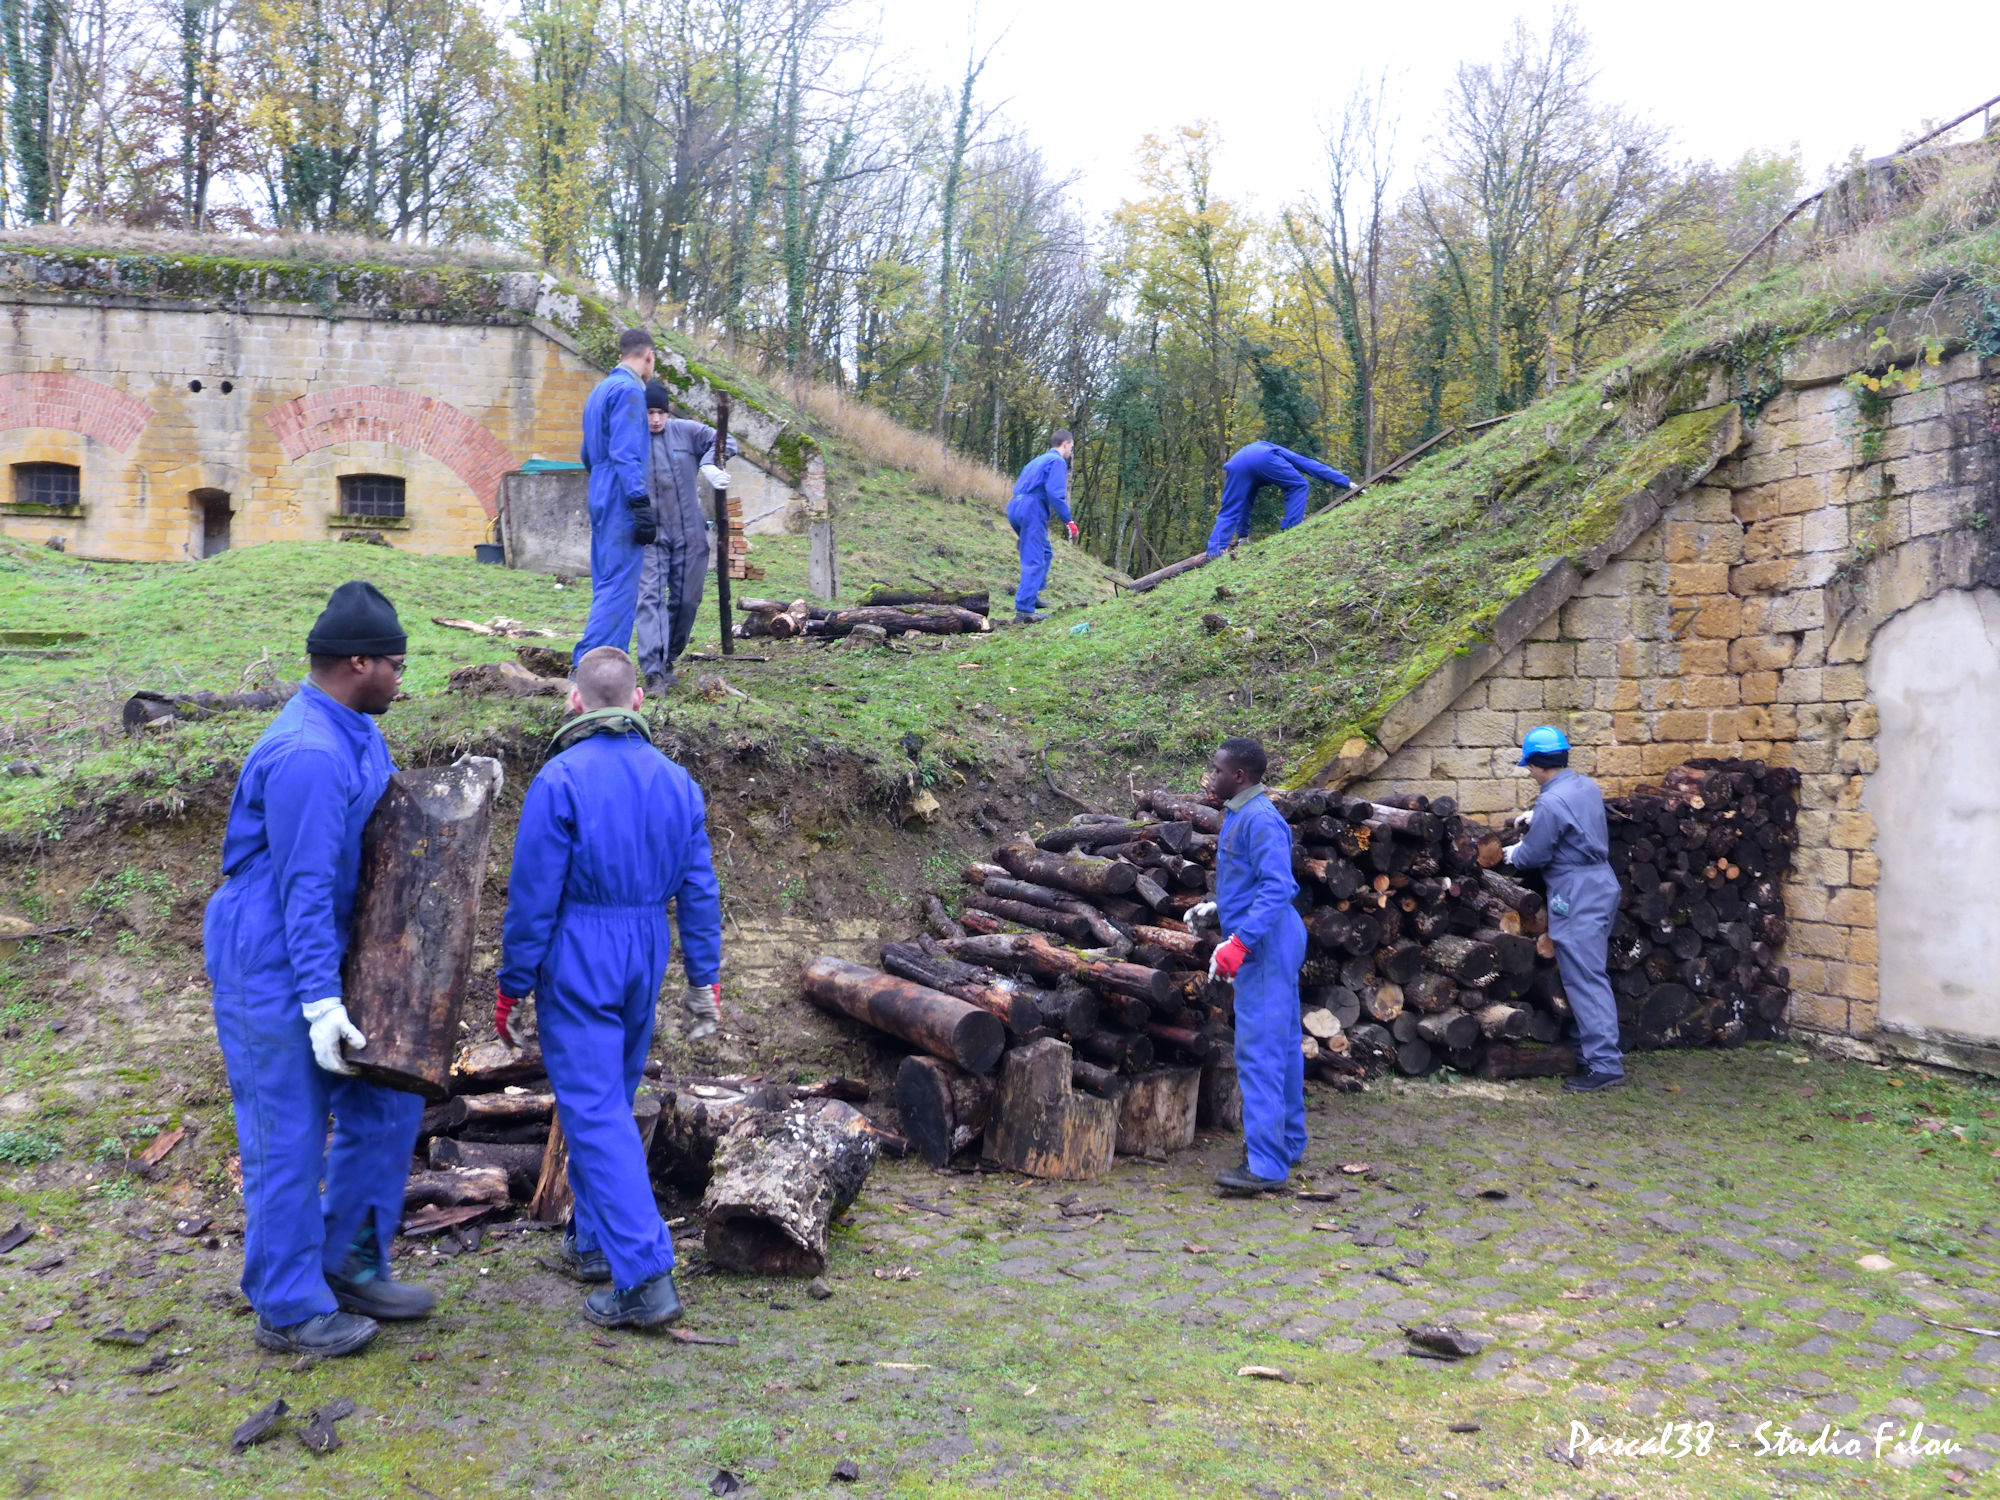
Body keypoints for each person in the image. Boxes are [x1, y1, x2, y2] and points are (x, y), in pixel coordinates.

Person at [203, 581, 434, 1358]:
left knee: (387, 1106)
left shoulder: (359, 728)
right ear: (357, 663)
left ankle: (349, 1264)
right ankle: (288, 1306)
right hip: (272, 948)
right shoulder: (307, 753)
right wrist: (317, 1004)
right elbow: (302, 886)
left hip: (334, 938)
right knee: (287, 1130)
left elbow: (388, 816)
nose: (403, 678)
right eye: (395, 666)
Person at [495, 646, 723, 1329]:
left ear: (574, 702)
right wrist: (702, 978)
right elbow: (700, 890)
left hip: (581, 948)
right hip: (643, 947)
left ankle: (645, 1275)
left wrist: (511, 987)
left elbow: (532, 899)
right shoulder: (678, 782)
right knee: (611, 1101)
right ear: (637, 702)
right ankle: (596, 1240)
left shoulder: (559, 781)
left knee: (593, 1110)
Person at [1189, 737, 1308, 1194]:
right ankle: (1288, 1143)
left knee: (1258, 1051)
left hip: (1268, 942)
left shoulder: (1259, 819)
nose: (1210, 774)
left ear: (1238, 776)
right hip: (1270, 936)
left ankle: (1266, 1166)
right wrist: (1219, 909)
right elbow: (1253, 882)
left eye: (1216, 768)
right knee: (1283, 1044)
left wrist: (1239, 940)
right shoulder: (1243, 812)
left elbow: (1279, 887)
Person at [1504, 725, 1626, 1092]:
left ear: (1538, 765)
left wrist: (1515, 853)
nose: (1529, 771)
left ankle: (1604, 1064)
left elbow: (1535, 854)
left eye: (1529, 766)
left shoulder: (1552, 802)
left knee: (1586, 978)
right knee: (1588, 972)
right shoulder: (1585, 786)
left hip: (1576, 891)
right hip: (1601, 883)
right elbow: (1574, 821)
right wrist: (1536, 817)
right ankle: (1586, 1048)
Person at [634, 380, 739, 693]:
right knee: (650, 599)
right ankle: (653, 672)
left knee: (687, 600)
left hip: (690, 531)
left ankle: (669, 657)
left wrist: (709, 463)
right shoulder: (633, 438)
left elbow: (725, 440)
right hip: (651, 533)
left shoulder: (688, 431)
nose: (655, 419)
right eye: (649, 412)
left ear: (668, 412)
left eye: (660, 412)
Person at [572, 328, 661, 671]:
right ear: (648, 356)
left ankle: (603, 668)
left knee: (606, 582)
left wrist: (602, 484)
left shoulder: (599, 391)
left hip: (600, 490)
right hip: (621, 495)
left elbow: (586, 453)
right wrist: (639, 502)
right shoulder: (629, 391)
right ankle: (593, 670)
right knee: (620, 589)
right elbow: (626, 454)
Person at [1204, 440, 1354, 556]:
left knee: (1230, 509)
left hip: (1235, 464)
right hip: (1263, 458)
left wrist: (1242, 535)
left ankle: (1214, 552)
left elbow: (1245, 506)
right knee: (1298, 484)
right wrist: (1346, 482)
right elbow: (1308, 465)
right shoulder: (1275, 450)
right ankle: (1291, 528)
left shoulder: (1255, 451)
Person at [1006, 429, 1077, 623]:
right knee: (1035, 559)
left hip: (1014, 506)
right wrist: (1068, 520)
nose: (1071, 452)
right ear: (1065, 444)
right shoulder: (1057, 461)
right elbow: (1055, 493)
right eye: (1071, 447)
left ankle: (1032, 594)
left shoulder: (1036, 461)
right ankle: (1024, 611)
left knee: (1045, 552)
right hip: (1032, 508)